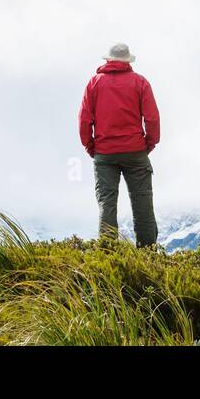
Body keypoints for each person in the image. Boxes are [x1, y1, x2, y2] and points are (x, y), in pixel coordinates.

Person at [77, 43, 160, 247]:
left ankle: (107, 254)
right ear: (128, 61)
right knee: (143, 203)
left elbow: (84, 120)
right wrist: (148, 144)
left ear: (107, 60)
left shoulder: (94, 83)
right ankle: (148, 253)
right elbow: (152, 118)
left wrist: (91, 147)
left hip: (105, 153)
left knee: (107, 202)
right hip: (135, 151)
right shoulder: (140, 83)